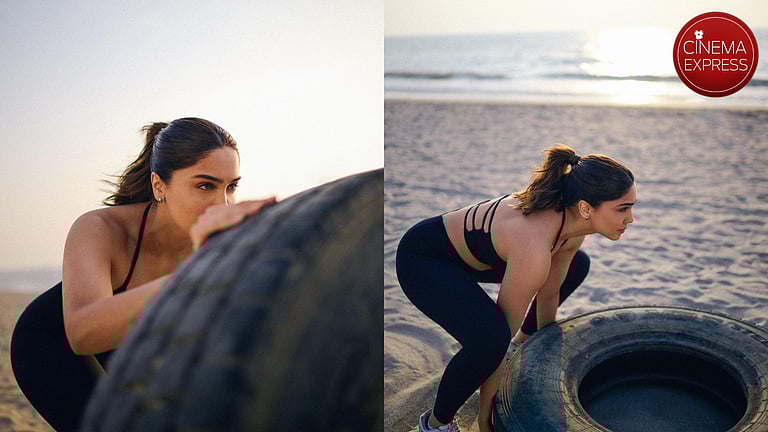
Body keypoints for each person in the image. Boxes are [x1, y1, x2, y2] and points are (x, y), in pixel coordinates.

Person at [10, 117, 276, 432]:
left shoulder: (221, 239)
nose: (222, 203)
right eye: (205, 185)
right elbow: (83, 335)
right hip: (54, 343)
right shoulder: (100, 228)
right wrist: (199, 270)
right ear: (159, 185)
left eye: (230, 187)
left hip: (133, 342)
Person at [396, 144, 636, 432]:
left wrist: (543, 351)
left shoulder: (571, 226)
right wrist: (487, 417)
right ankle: (435, 425)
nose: (630, 218)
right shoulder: (534, 247)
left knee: (577, 265)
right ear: (586, 208)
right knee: (491, 339)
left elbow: (549, 294)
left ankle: (523, 343)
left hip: (481, 258)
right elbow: (500, 336)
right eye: (623, 209)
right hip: (424, 259)